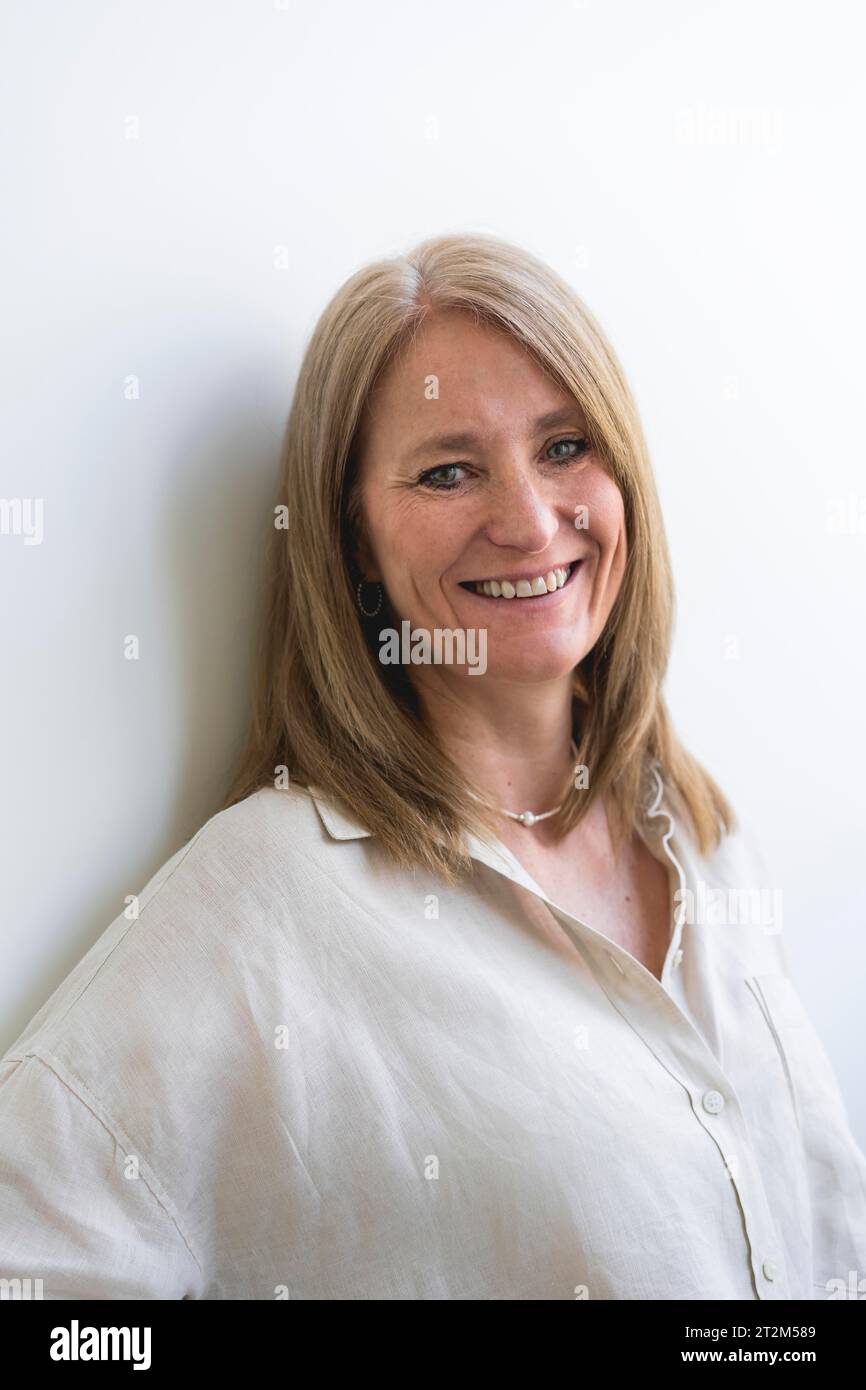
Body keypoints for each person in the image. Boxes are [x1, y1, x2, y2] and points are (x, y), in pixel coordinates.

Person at [1, 232, 864, 1300]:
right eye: (447, 470)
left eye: (562, 447)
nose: (527, 519)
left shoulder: (700, 836)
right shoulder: (269, 895)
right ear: (353, 541)